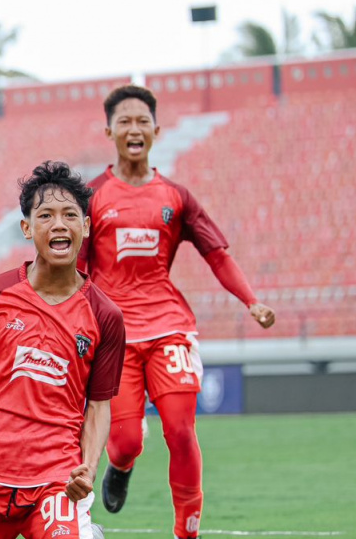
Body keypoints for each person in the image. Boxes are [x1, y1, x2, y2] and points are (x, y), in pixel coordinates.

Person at [84, 85, 276, 538]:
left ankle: (186, 532)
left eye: (142, 121)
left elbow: (217, 255)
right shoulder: (90, 196)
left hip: (169, 327)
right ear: (109, 132)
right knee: (125, 441)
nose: (134, 129)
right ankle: (121, 465)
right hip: (114, 336)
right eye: (125, 121)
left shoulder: (177, 197)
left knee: (181, 430)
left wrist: (251, 301)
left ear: (156, 130)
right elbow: (74, 268)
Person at [0, 161, 123, 539]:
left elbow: (98, 406)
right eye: (46, 215)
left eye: (69, 215)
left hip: (55, 484)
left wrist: (89, 468)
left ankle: (82, 529)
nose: (58, 224)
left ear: (86, 226)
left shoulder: (104, 315)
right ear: (27, 228)